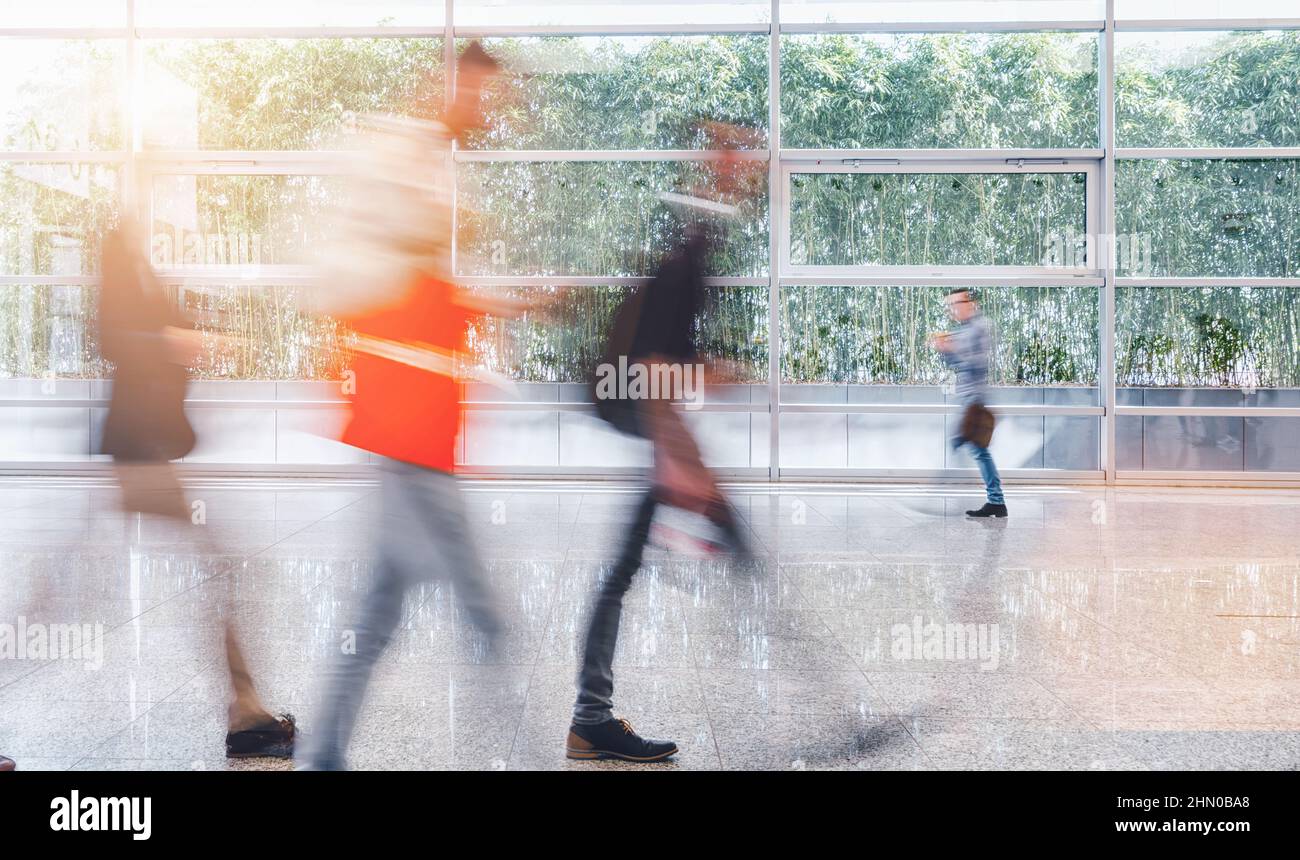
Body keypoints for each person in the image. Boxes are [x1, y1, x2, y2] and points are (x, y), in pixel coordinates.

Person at [297, 42, 512, 772]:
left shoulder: (428, 165)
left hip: (420, 426)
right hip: (408, 425)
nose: (485, 110)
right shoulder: (400, 157)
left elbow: (416, 290)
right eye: (477, 93)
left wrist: (479, 297)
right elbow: (372, 283)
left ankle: (321, 755)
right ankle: (513, 746)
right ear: (445, 84)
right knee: (483, 614)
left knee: (380, 608)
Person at [565, 123, 761, 763]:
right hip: (656, 434)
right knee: (624, 574)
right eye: (734, 160)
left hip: (659, 434)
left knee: (627, 572)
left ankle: (589, 719)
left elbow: (666, 363)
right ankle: (589, 720)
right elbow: (654, 369)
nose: (748, 171)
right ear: (713, 170)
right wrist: (680, 465)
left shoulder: (693, 249)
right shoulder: (688, 258)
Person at [97, 221, 297, 758]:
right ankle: (244, 712)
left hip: (148, 451)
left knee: (221, 565)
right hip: (136, 452)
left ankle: (246, 711)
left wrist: (187, 336)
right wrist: (171, 339)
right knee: (221, 565)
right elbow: (110, 336)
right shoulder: (118, 253)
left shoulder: (139, 261)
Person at [930, 288, 1007, 518]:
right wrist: (945, 350)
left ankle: (992, 499)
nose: (953, 310)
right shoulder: (963, 330)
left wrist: (953, 348)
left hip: (975, 398)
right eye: (950, 306)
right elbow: (957, 363)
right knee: (976, 449)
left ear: (970, 303)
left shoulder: (981, 327)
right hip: (966, 396)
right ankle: (995, 500)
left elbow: (977, 363)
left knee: (970, 446)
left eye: (956, 304)